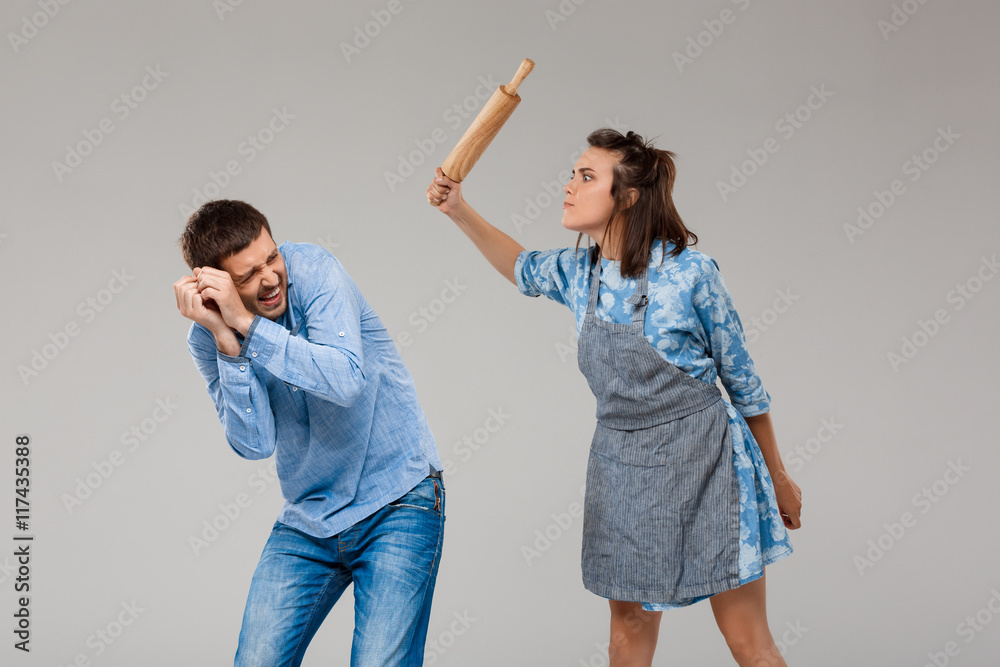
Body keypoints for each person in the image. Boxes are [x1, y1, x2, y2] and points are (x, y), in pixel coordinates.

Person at [426, 129, 802, 667]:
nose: (568, 186)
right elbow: (519, 264)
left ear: (626, 197)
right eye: (573, 173)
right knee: (625, 637)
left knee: (748, 641)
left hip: (708, 467)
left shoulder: (691, 275)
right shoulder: (580, 273)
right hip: (621, 469)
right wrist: (458, 209)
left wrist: (779, 477)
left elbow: (744, 385)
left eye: (585, 176)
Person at [172, 200, 445, 667]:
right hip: (311, 517)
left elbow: (344, 380)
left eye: (271, 258)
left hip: (396, 498)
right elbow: (254, 444)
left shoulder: (315, 270)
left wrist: (246, 322)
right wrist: (226, 341)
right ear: (212, 282)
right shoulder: (207, 337)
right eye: (247, 277)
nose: (271, 277)